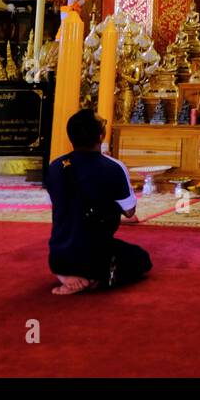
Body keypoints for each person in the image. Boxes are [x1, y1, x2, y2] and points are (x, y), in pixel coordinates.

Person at [45, 109, 152, 295]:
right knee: (141, 259)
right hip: (94, 255)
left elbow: (63, 203)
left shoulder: (55, 166)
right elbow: (129, 211)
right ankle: (97, 278)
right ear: (101, 136)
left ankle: (65, 274)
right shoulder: (113, 167)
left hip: (58, 255)